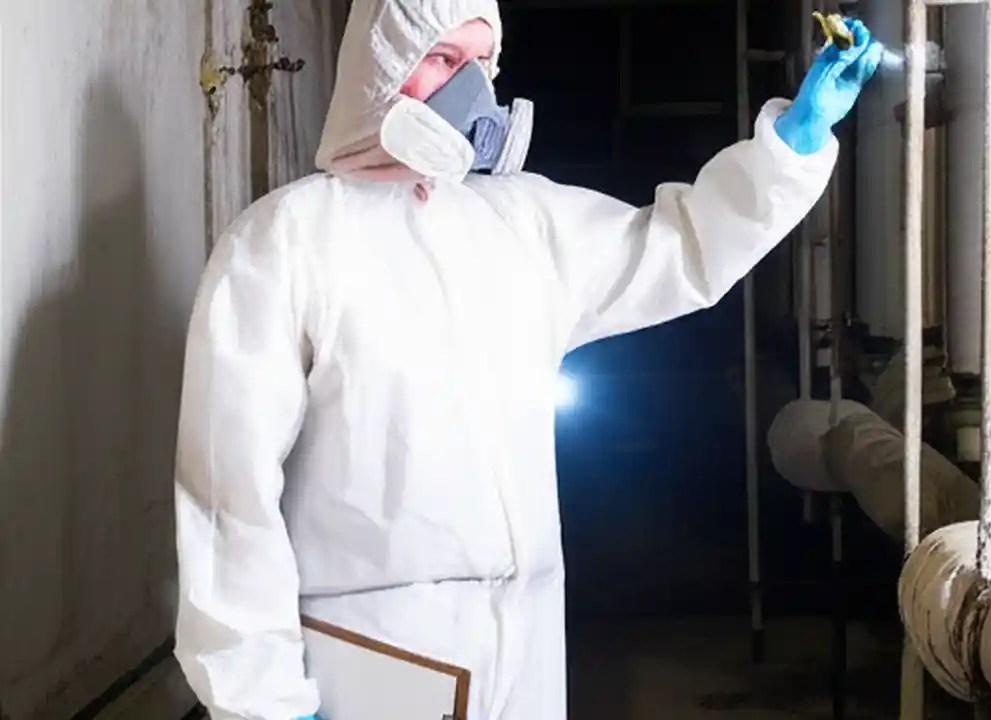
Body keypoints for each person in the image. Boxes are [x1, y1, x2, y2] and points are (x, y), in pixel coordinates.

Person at [172, 1, 883, 718]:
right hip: (370, 650)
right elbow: (228, 491)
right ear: (379, 66)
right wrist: (264, 699)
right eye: (446, 61)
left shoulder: (521, 223)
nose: (471, 91)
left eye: (483, 64)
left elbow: (680, 246)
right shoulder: (287, 241)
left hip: (526, 640)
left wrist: (792, 144)